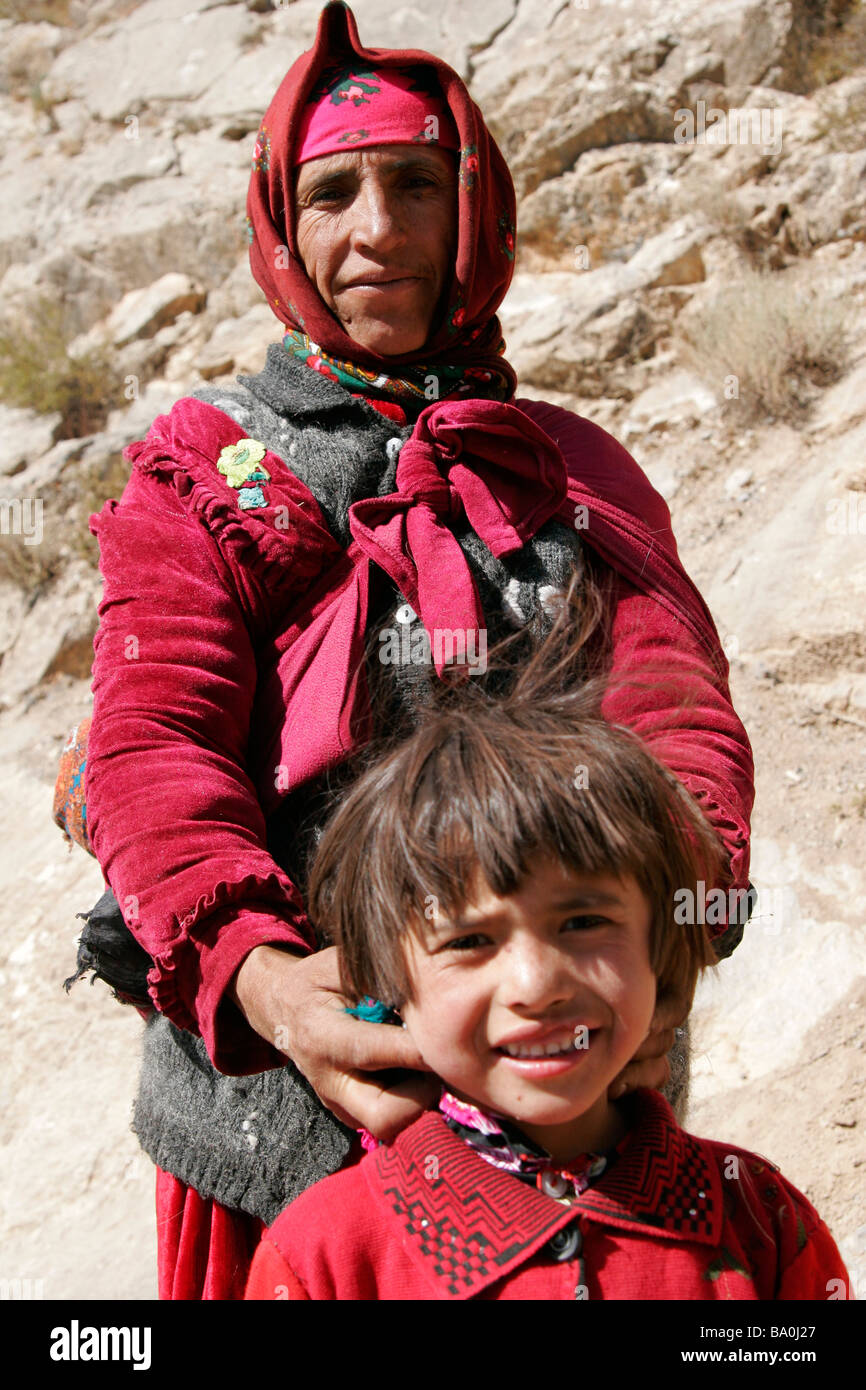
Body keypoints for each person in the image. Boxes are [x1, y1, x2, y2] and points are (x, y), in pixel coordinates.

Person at [54, 0, 754, 1299]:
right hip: (285, 1112)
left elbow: (676, 712)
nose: (375, 230)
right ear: (282, 223)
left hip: (563, 1073)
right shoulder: (206, 471)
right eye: (332, 193)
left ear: (472, 208)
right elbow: (156, 750)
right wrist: (269, 991)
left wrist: (671, 933)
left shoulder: (574, 468)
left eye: (414, 184)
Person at [243, 602, 847, 1300]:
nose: (536, 984)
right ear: (387, 983)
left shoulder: (759, 1225)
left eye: (584, 922)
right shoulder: (329, 1259)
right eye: (470, 941)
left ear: (660, 949)